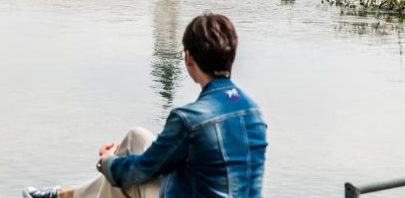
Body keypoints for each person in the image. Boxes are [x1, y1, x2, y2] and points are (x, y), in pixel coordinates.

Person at [23, 13, 267, 198]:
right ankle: (66, 195)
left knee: (121, 179)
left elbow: (140, 170)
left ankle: (66, 195)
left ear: (189, 58)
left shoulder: (189, 119)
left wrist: (107, 162)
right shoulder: (255, 112)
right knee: (135, 137)